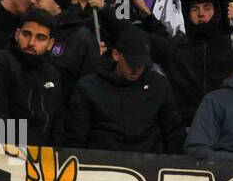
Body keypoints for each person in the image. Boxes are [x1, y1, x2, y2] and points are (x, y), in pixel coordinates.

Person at [62, 25, 184, 154]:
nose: (136, 69)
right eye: (131, 63)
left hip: (149, 165)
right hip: (100, 165)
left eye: (142, 64)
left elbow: (173, 132)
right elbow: (76, 138)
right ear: (116, 54)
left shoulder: (158, 84)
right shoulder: (89, 87)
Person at [0, 10, 65, 146]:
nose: (31, 43)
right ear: (17, 34)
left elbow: (57, 125)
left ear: (50, 44)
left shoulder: (52, 74)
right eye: (26, 34)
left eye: (40, 38)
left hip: (39, 160)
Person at [150, 0, 233, 125]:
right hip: (185, 128)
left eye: (207, 8)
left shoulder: (232, 45)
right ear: (187, 13)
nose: (201, 14)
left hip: (227, 126)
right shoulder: (176, 47)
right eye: (195, 9)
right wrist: (144, 12)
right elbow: (136, 37)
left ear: (217, 11)